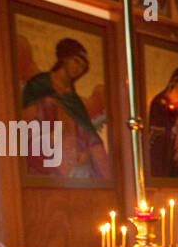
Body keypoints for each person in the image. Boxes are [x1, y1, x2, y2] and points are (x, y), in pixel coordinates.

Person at [19, 37, 110, 179]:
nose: (78, 69)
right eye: (76, 61)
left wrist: (88, 150)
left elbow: (86, 129)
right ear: (65, 59)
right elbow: (24, 117)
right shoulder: (39, 83)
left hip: (69, 147)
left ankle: (107, 186)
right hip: (40, 141)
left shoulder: (73, 100)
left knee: (96, 145)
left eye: (82, 67)